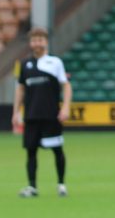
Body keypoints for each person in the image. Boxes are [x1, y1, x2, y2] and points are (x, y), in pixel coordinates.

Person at [12, 27, 71, 197]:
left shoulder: (55, 63)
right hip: (31, 114)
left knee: (57, 149)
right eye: (34, 40)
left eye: (40, 39)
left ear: (46, 42)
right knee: (31, 151)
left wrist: (66, 106)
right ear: (30, 43)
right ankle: (32, 186)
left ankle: (61, 184)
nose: (37, 43)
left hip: (51, 114)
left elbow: (66, 86)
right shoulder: (24, 64)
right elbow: (20, 89)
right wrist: (16, 112)